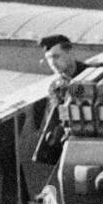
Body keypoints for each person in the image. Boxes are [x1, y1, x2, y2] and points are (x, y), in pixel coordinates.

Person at [33, 34, 82, 165]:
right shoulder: (56, 88)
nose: (52, 63)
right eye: (48, 58)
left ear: (70, 53)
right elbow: (55, 119)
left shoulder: (94, 73)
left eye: (56, 56)